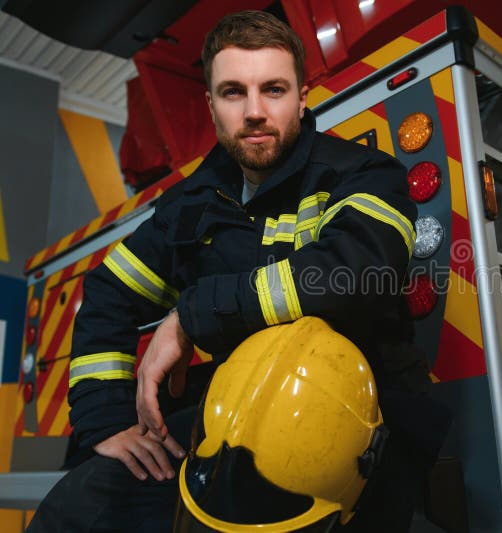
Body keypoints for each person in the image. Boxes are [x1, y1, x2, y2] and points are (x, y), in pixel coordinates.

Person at [28, 10, 447, 532]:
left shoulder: (362, 173)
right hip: (235, 417)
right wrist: (107, 423)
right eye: (233, 92)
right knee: (72, 513)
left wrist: (190, 317)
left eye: (273, 89)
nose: (254, 111)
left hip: (368, 424)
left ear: (301, 97)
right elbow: (111, 290)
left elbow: (356, 272)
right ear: (211, 104)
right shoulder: (191, 203)